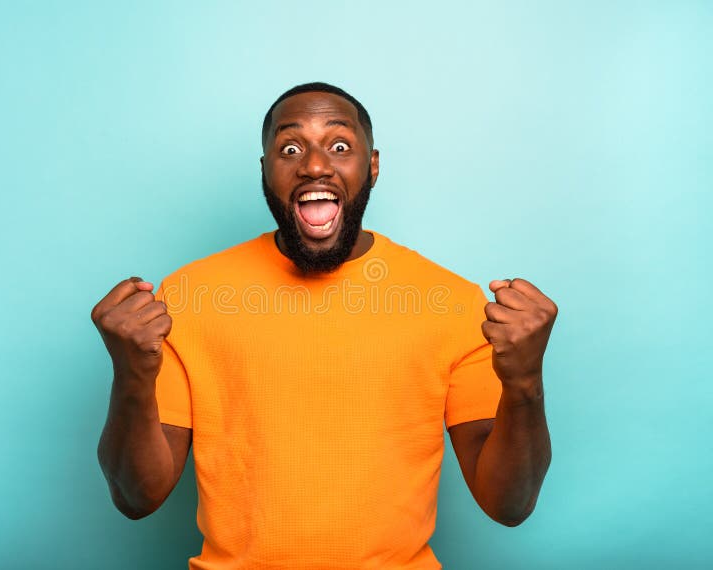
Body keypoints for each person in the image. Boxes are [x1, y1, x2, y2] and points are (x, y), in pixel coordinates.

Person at [92, 82, 557, 569]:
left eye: (339, 146)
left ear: (372, 166)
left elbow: (509, 504)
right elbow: (135, 498)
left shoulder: (454, 304)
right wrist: (131, 376)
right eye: (290, 148)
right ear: (265, 172)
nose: (314, 165)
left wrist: (524, 382)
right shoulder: (187, 297)